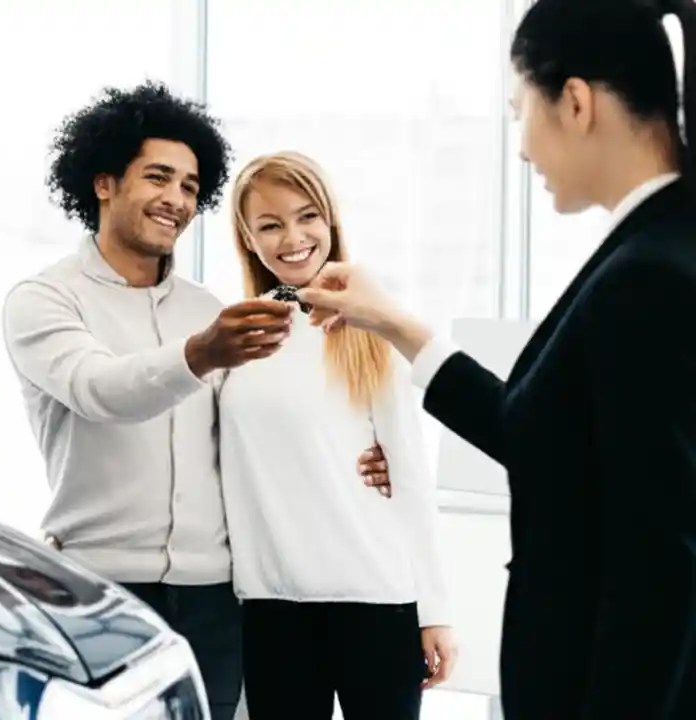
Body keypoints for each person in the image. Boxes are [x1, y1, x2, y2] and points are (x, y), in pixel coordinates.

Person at [297, 1, 696, 717]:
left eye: (520, 112)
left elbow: (658, 565)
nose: (521, 149)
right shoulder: (656, 248)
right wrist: (395, 323)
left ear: (575, 103)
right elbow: (542, 436)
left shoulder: (647, 277)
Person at [1, 81, 390, 720]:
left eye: (189, 185)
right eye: (158, 178)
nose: (177, 199)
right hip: (100, 594)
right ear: (103, 182)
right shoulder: (45, 300)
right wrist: (201, 353)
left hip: (216, 600)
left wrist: (368, 457)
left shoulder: (207, 309)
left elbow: (256, 435)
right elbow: (100, 390)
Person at [220, 151, 457, 719]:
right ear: (248, 238)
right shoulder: (233, 336)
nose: (293, 238)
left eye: (307, 217)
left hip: (377, 598)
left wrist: (435, 611)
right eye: (270, 225)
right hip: (271, 603)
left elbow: (410, 477)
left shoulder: (371, 328)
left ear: (330, 221)